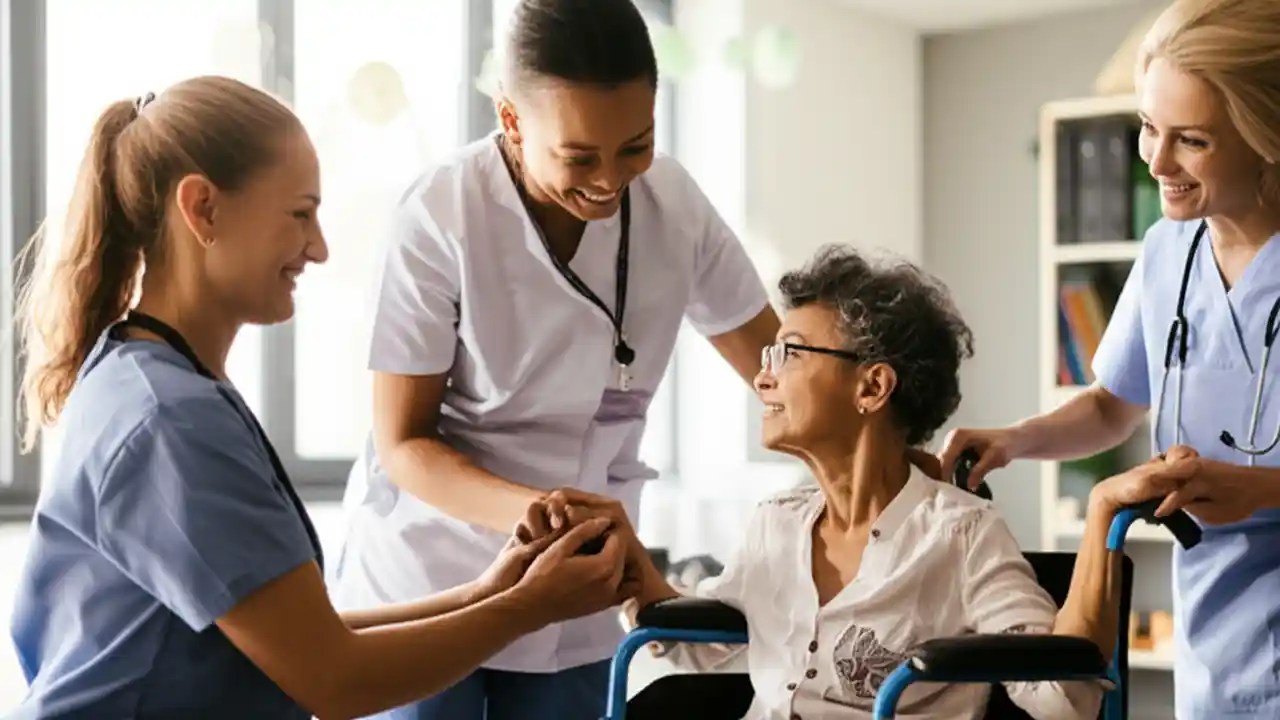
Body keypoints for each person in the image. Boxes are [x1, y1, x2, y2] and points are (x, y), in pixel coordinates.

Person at [7, 75, 631, 720]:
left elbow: (311, 632)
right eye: (300, 214)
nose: (319, 247)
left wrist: (490, 591)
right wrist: (529, 607)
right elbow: (333, 680)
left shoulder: (157, 383)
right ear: (204, 209)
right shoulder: (170, 420)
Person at [328, 0, 778, 717]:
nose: (609, 179)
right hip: (434, 573)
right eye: (578, 156)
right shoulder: (442, 213)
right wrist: (546, 513)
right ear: (511, 120)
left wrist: (887, 447)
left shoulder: (675, 205)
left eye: (636, 144)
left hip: (582, 586)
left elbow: (778, 367)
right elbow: (405, 442)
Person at [525, 245, 1190, 719]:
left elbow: (1063, 698)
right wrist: (626, 558)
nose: (763, 377)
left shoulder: (959, 535)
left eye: (787, 353)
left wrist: (1102, 511)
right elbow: (709, 651)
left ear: (872, 386)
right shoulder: (776, 523)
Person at [938, 0, 1280, 716]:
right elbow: (1111, 405)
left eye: (1192, 140)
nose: (1156, 161)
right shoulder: (1166, 253)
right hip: (1215, 646)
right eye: (1150, 128)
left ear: (1266, 137)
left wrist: (1260, 491)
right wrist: (1015, 439)